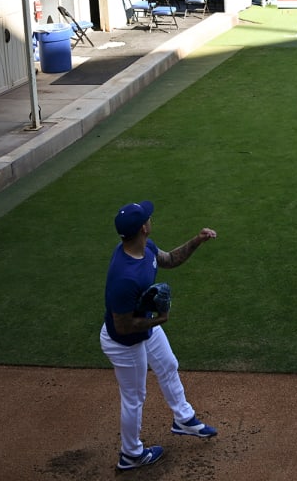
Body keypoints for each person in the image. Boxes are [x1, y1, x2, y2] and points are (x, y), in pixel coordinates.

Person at [102, 200, 219, 471]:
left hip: (145, 326)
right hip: (123, 342)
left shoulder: (145, 248)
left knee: (168, 365)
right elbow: (122, 326)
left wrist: (197, 240)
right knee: (134, 397)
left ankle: (183, 419)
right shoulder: (124, 278)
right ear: (143, 228)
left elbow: (170, 260)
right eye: (148, 217)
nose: (151, 218)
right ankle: (130, 454)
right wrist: (160, 319)